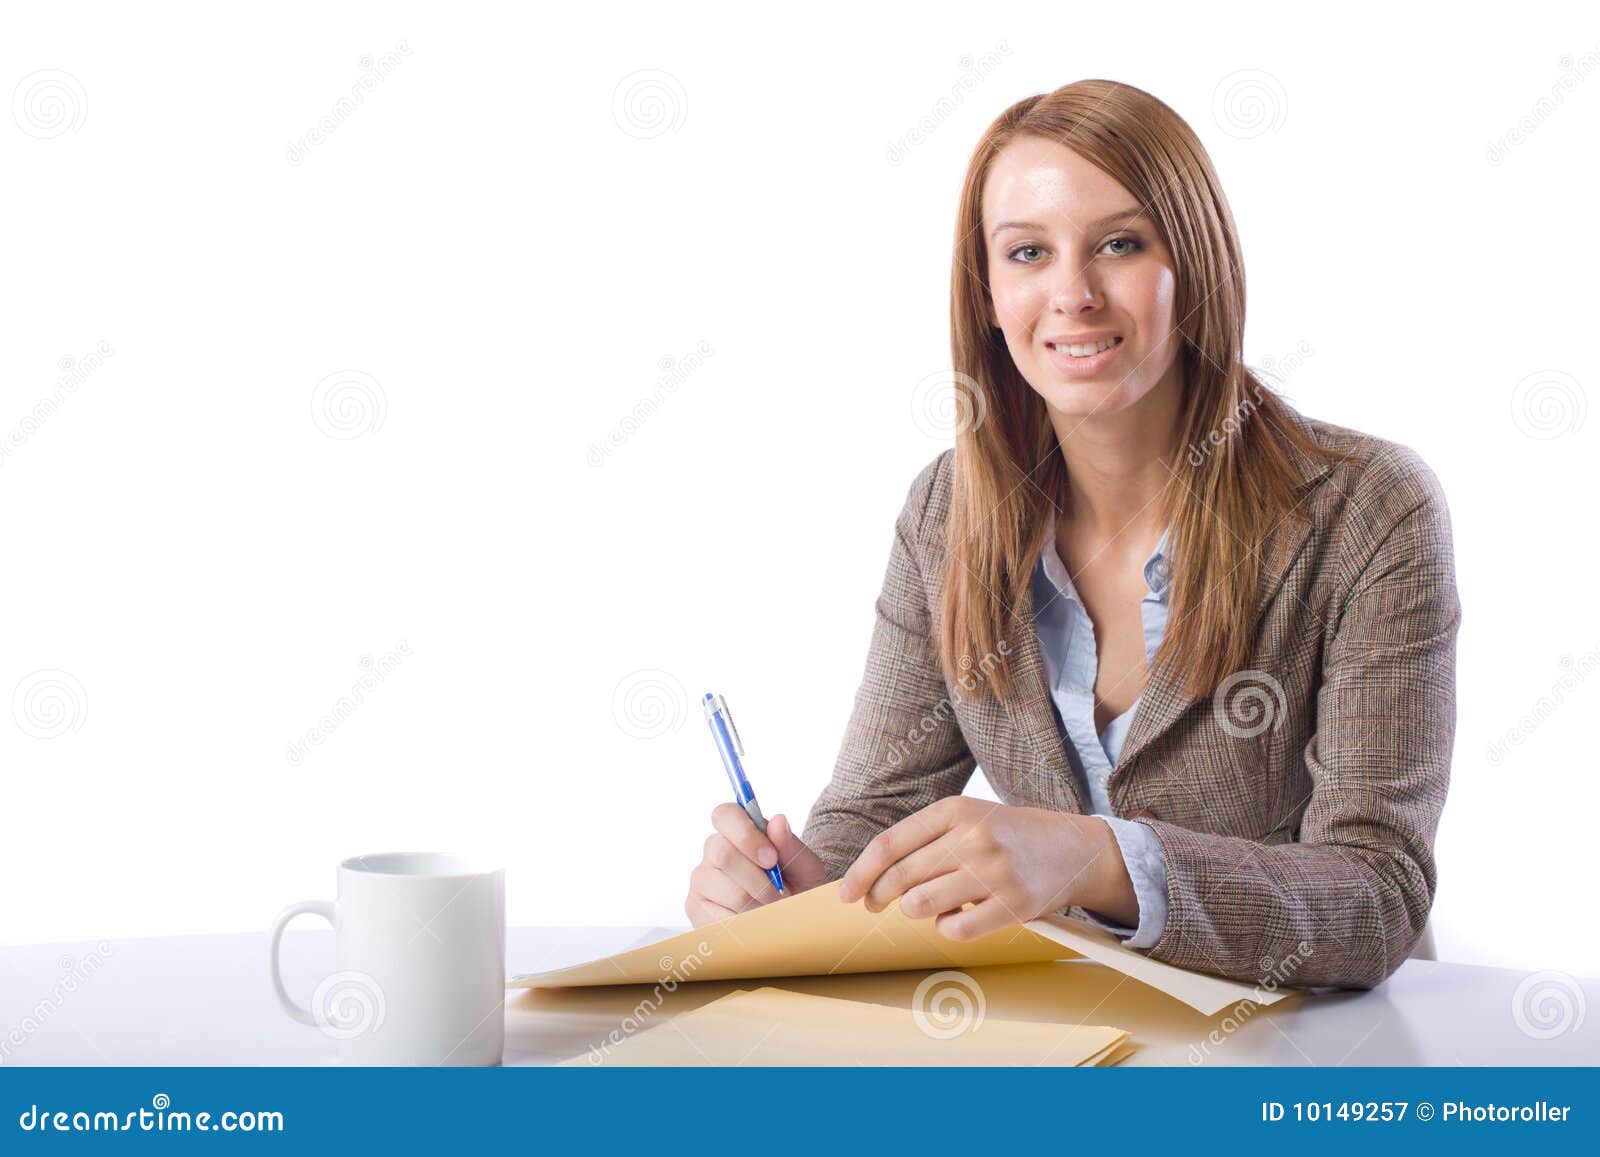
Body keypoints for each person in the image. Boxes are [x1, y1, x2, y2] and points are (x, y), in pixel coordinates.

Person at [683, 79, 1459, 991]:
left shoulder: (1367, 509)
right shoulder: (947, 513)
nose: (1073, 294)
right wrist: (800, 899)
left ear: (1195, 267)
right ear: (987, 293)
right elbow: (870, 819)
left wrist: (1099, 860)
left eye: (1120, 245)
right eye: (1026, 253)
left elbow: (1378, 894)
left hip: (1308, 1051)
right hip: (1075, 1045)